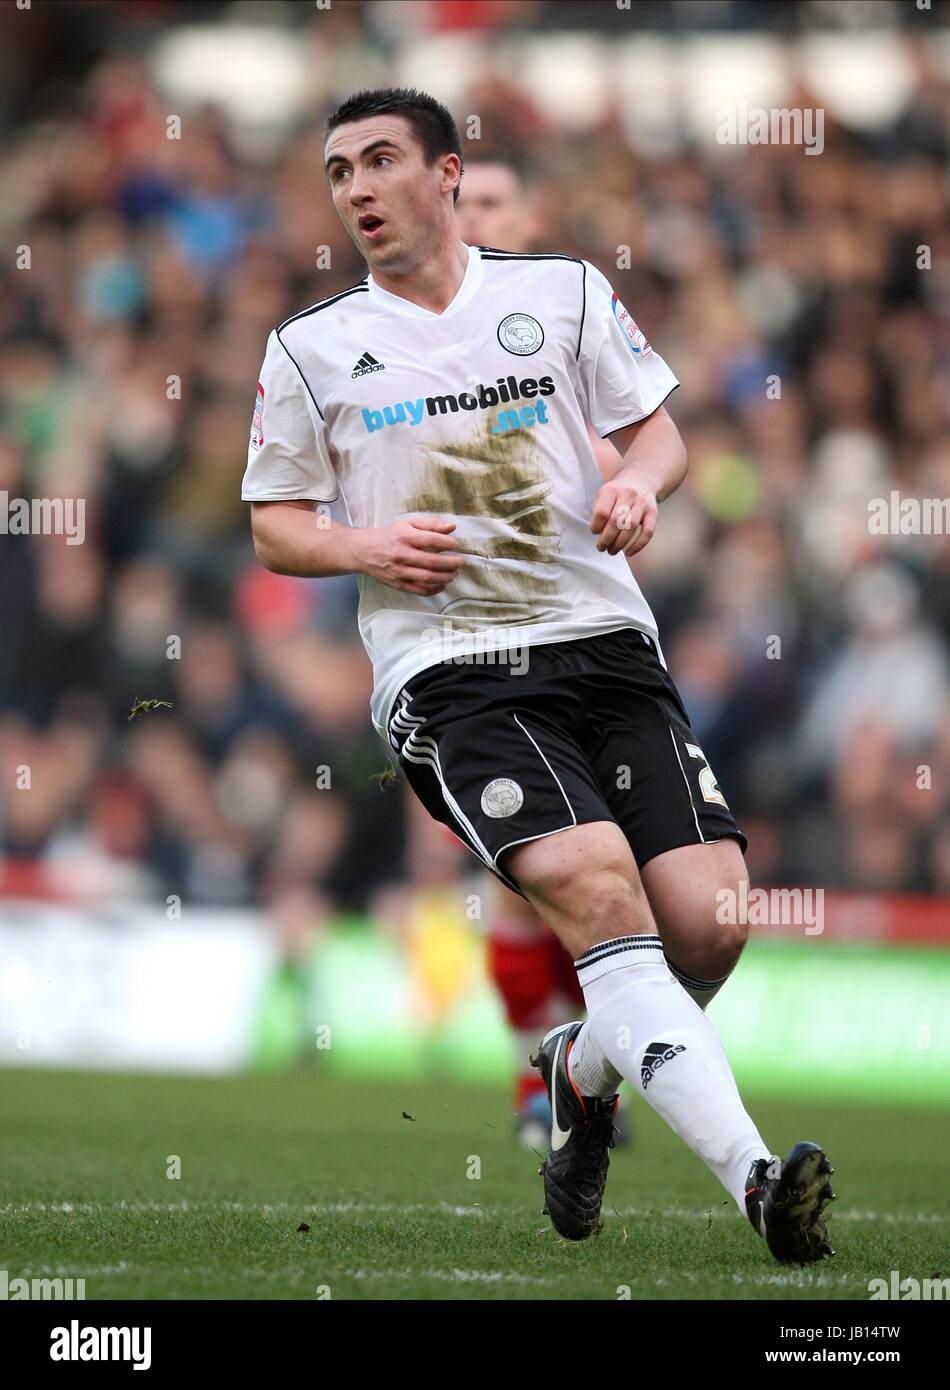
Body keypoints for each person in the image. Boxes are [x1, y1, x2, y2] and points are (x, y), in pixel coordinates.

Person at [242, 87, 836, 1260]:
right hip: (455, 672)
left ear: (449, 174)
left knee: (707, 927)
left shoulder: (559, 293)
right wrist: (364, 545)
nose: (356, 189)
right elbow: (273, 523)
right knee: (603, 899)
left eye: (377, 162)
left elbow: (659, 433)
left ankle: (578, 1062)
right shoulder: (307, 349)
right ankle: (758, 1181)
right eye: (337, 173)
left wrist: (634, 485)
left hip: (606, 645)